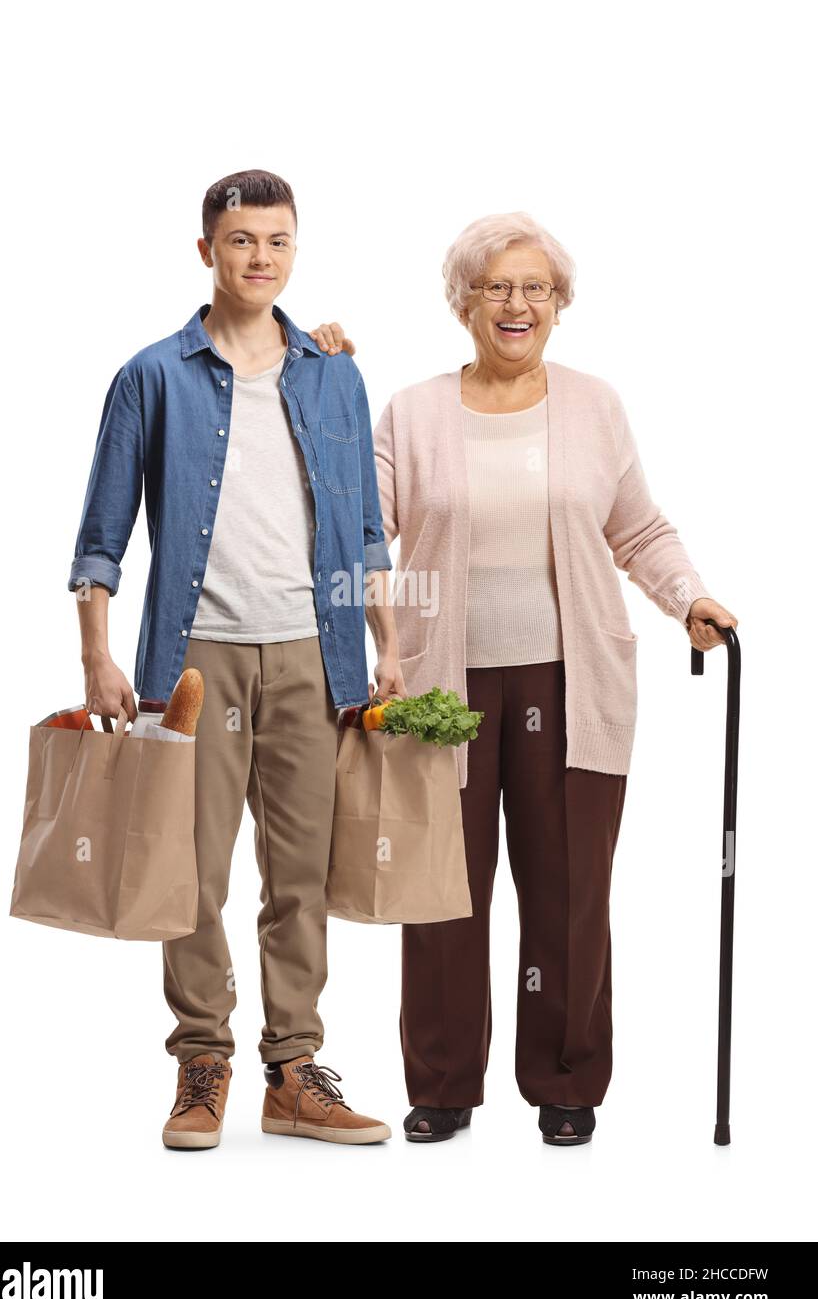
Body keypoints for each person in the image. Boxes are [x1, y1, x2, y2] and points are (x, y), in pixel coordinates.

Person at [327, 211, 737, 1146]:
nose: (517, 305)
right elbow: (355, 530)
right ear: (463, 301)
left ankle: (566, 1080)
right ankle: (440, 1084)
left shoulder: (593, 406)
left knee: (567, 889)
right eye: (497, 288)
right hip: (440, 691)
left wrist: (691, 600)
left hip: (570, 680)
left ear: (559, 305)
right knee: (441, 891)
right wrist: (320, 385)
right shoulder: (414, 410)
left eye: (536, 289)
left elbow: (637, 530)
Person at [69, 169, 404, 1149]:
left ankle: (293, 1070)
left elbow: (361, 532)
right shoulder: (151, 375)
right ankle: (201, 1060)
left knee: (300, 872)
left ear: (294, 249)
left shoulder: (333, 371)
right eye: (240, 240)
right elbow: (101, 532)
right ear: (205, 250)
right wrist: (96, 653)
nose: (259, 257)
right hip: (196, 656)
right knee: (191, 868)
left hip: (313, 651)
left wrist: (386, 647)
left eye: (277, 240)